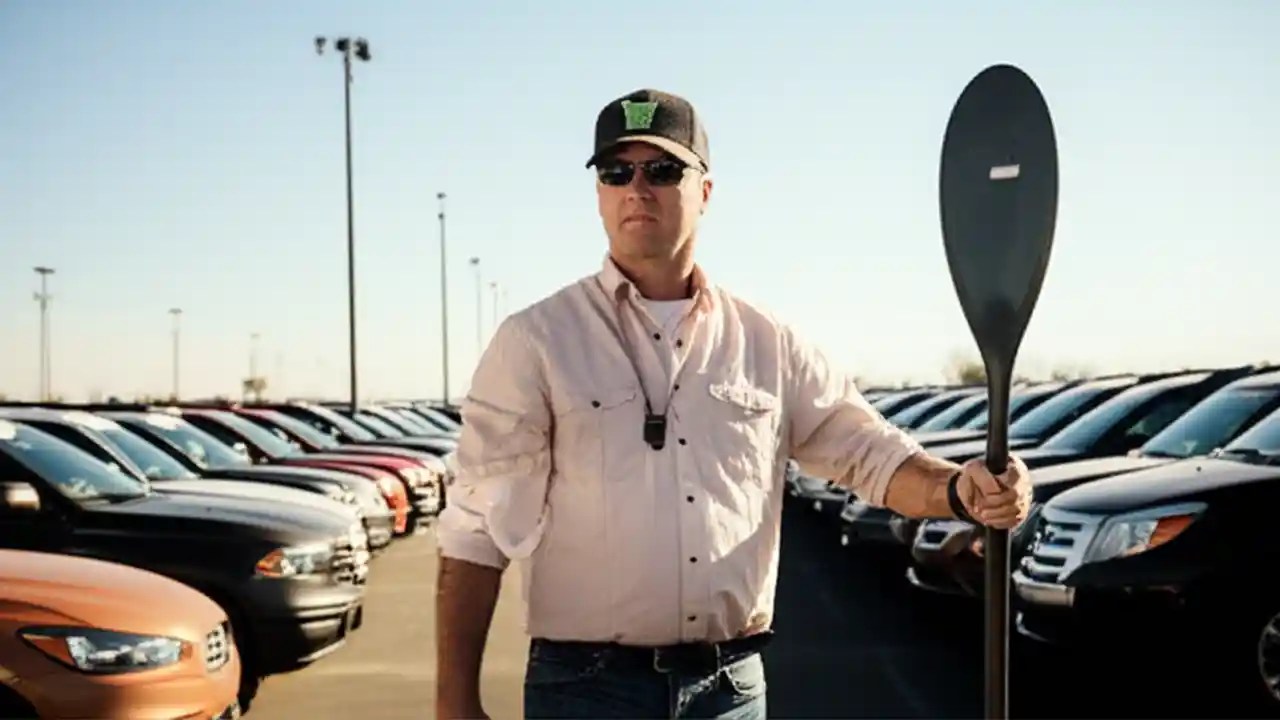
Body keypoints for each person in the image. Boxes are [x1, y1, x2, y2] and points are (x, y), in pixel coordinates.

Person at [434, 88, 1032, 720]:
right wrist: (455, 702)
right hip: (586, 690)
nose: (638, 188)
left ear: (705, 191)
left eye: (663, 170)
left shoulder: (767, 342)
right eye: (617, 172)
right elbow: (475, 529)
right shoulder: (536, 340)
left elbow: (870, 456)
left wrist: (963, 492)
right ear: (600, 193)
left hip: (729, 691)